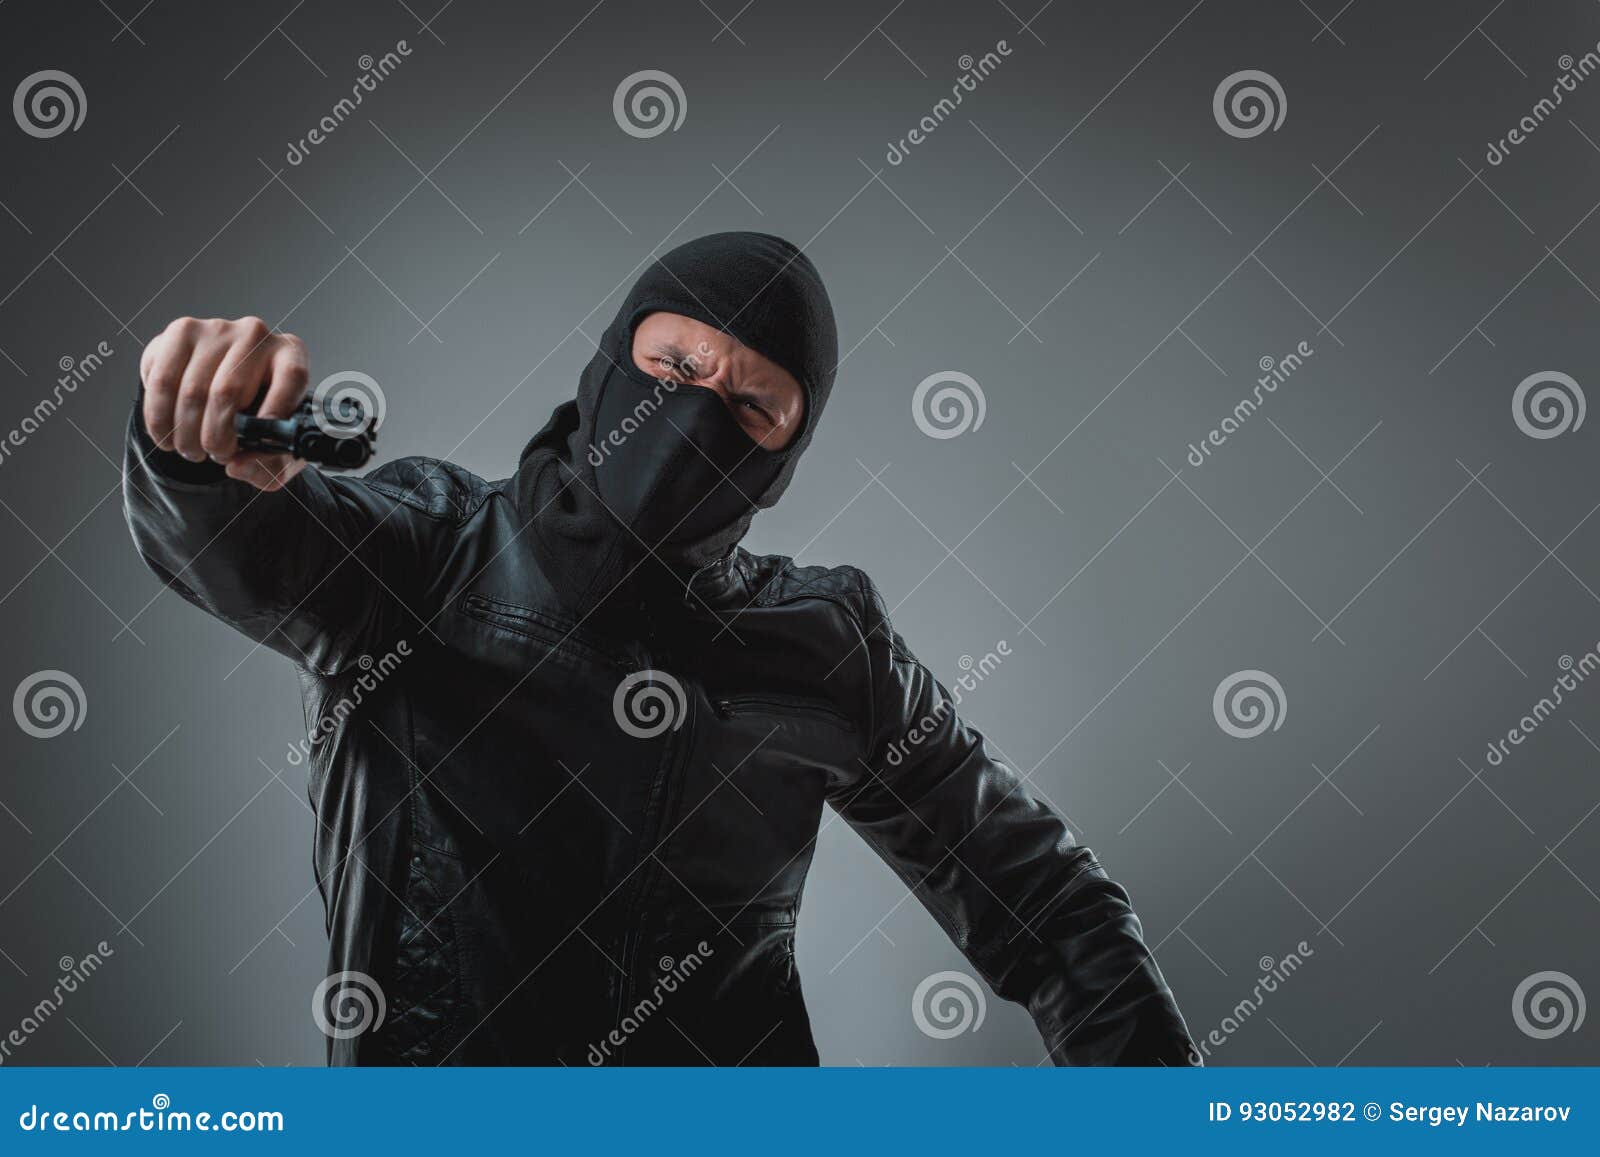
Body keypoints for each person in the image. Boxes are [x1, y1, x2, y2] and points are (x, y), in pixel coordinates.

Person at [123, 231, 1196, 1066]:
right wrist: (190, 442)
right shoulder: (421, 552)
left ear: (784, 455)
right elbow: (242, 544)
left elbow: (1050, 909)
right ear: (612, 364)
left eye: (749, 403)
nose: (693, 416)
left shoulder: (827, 645)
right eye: (673, 362)